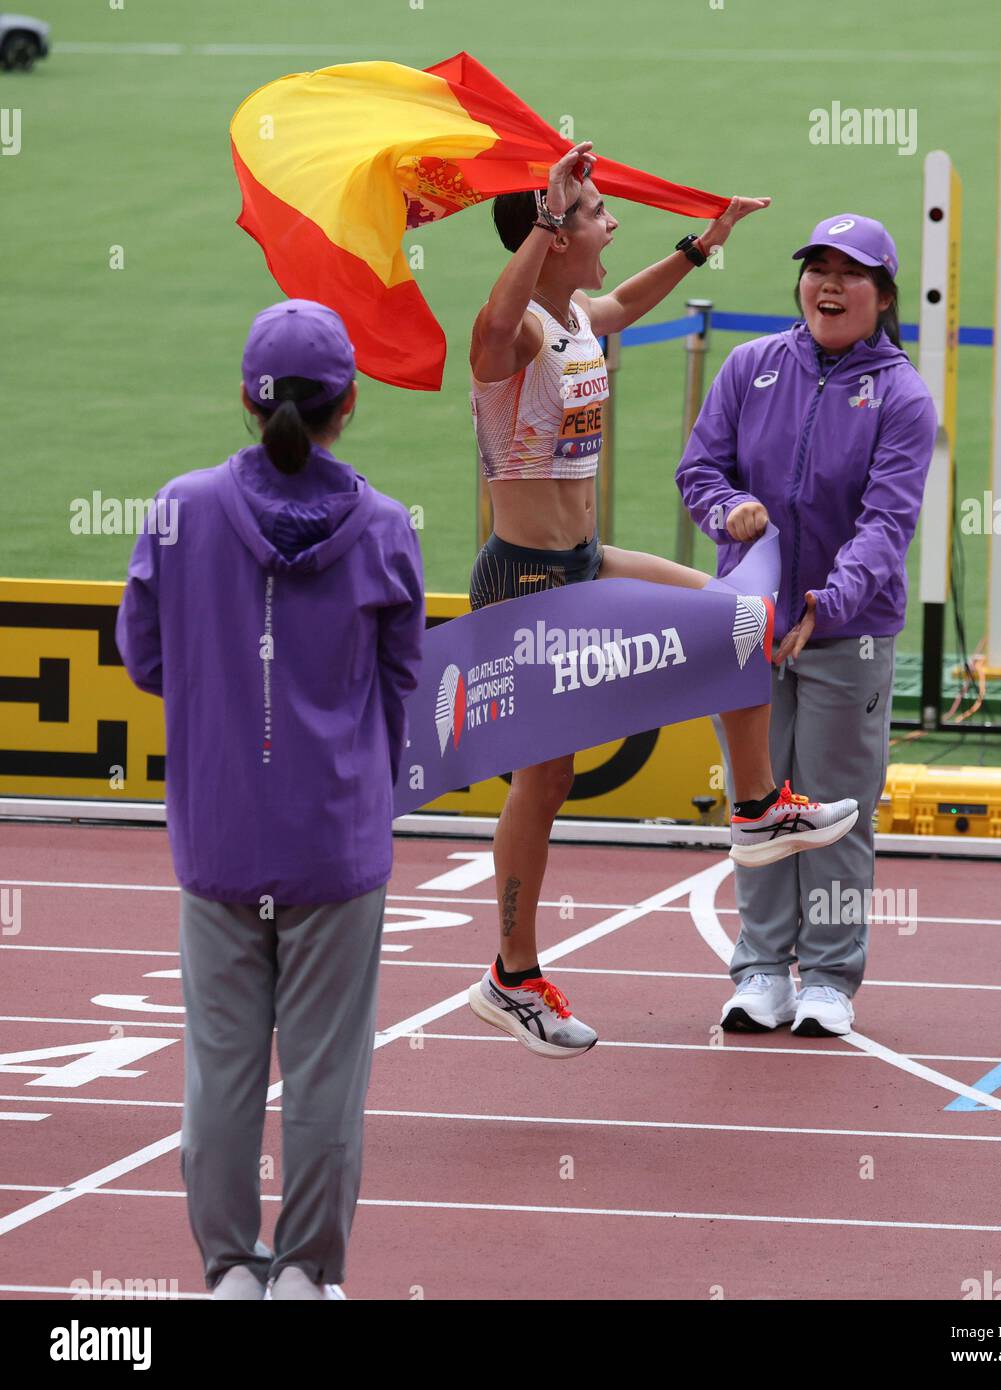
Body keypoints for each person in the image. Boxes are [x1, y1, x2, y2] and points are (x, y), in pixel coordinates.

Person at [465, 143, 857, 1059]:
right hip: (525, 583)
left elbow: (625, 303)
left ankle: (758, 807)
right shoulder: (513, 331)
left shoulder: (572, 318)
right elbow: (493, 315)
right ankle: (512, 977)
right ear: (553, 236)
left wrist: (704, 243)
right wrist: (550, 215)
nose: (611, 222)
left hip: (584, 562)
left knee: (736, 622)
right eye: (597, 213)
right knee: (546, 780)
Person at [116, 299, 425, 1299]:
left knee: (220, 1074)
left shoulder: (179, 508)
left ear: (244, 401)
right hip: (335, 841)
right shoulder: (381, 527)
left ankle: (228, 1271)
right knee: (326, 1078)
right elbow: (400, 675)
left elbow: (145, 657)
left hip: (217, 838)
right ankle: (307, 1273)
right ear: (350, 402)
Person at [676, 214, 937, 1038]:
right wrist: (731, 510)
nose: (829, 284)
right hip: (750, 629)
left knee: (832, 808)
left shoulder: (902, 395)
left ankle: (827, 977)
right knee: (759, 807)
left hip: (844, 636)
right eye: (817, 268)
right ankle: (760, 970)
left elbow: (886, 525)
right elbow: (699, 470)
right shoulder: (752, 365)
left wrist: (828, 602)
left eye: (851, 273)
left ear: (883, 295)